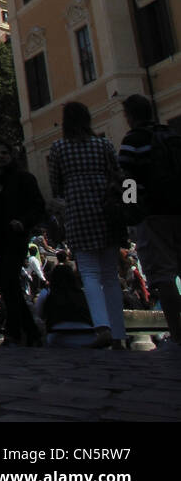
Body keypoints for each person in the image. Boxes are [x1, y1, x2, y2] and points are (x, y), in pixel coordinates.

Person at [48, 101, 126, 349]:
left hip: (79, 211)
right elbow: (118, 174)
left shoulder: (59, 147)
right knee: (111, 276)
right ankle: (119, 332)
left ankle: (101, 325)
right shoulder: (103, 144)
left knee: (90, 273)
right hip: (106, 209)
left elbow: (56, 186)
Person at [118, 93, 181, 345]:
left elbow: (128, 179)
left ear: (130, 116)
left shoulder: (133, 141)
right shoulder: (173, 135)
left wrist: (132, 208)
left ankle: (177, 334)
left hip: (154, 215)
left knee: (163, 276)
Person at [0, 137, 45, 346]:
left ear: (11, 155)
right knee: (10, 286)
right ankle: (30, 332)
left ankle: (14, 333)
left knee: (9, 282)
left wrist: (24, 223)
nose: (1, 156)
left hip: (16, 238)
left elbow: (38, 206)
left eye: (4, 153)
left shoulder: (23, 178)